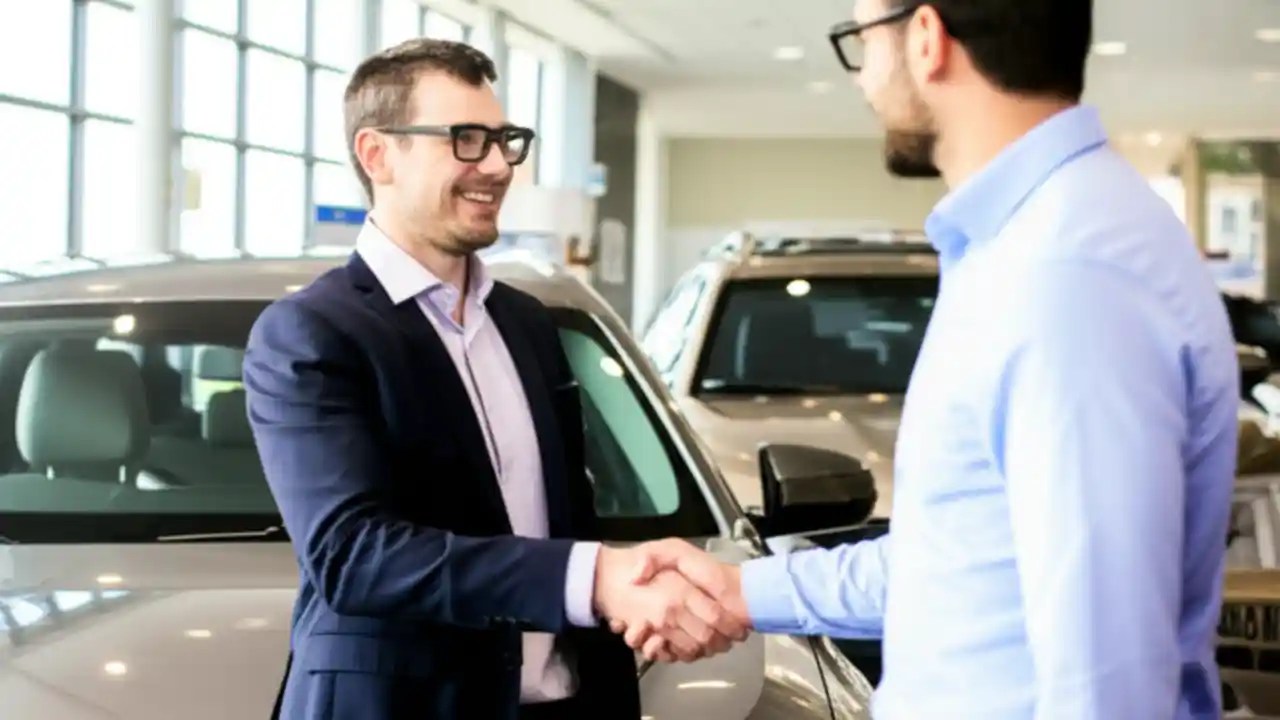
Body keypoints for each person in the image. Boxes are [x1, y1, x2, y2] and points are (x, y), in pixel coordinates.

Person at [622, 0, 1240, 717]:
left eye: (859, 42)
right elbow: (956, 559)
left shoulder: (1067, 273)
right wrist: (738, 590)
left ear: (924, 39)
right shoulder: (1023, 247)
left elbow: (1109, 675)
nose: (861, 81)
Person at [245, 39, 743, 720]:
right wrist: (596, 578)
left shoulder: (527, 323)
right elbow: (353, 556)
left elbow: (562, 522)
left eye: (506, 140)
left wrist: (633, 583)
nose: (498, 165)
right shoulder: (312, 332)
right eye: (466, 140)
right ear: (376, 154)